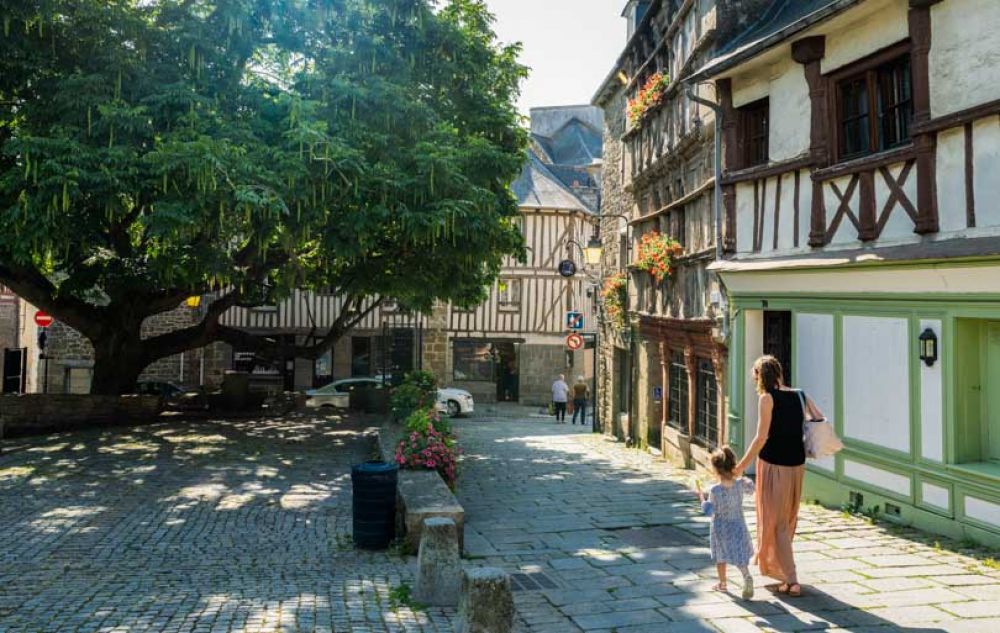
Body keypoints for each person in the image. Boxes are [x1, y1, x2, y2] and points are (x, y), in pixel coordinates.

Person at [734, 355, 825, 598]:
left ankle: (791, 579)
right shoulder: (799, 395)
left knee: (775, 523)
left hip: (773, 465)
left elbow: (761, 438)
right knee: (787, 518)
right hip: (797, 464)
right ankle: (784, 573)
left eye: (754, 374)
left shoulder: (767, 399)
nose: (753, 379)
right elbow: (818, 417)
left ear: (760, 375)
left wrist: (741, 466)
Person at [698, 446, 755, 600]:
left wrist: (702, 499)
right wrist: (741, 476)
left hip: (720, 528)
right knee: (739, 555)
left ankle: (722, 583)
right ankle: (746, 575)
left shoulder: (715, 490)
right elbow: (751, 489)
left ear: (716, 470)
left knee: (721, 556)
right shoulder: (740, 484)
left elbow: (709, 511)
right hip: (738, 525)